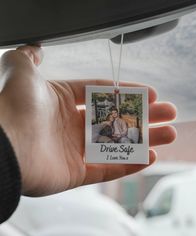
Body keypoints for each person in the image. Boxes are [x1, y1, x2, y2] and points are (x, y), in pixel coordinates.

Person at [0, 45, 177, 223]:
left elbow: (122, 132)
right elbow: (105, 132)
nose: (114, 115)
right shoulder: (105, 123)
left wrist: (14, 148)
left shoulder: (123, 123)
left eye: (116, 113)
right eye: (112, 113)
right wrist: (16, 140)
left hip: (120, 140)